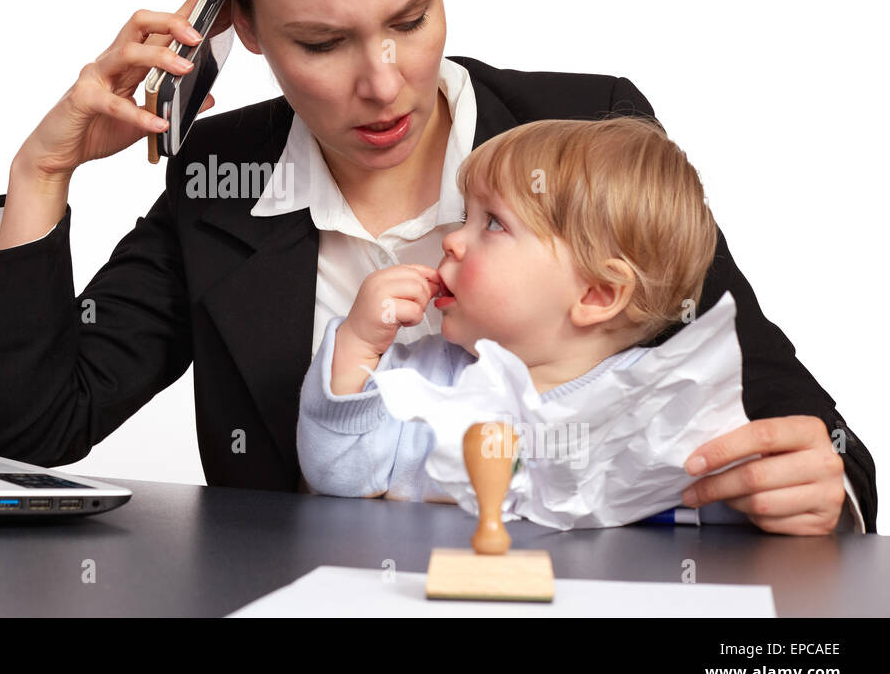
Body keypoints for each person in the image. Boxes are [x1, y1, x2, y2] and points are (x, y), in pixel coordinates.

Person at [0, 0, 875, 534]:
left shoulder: (596, 129)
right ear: (245, 28)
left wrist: (825, 484)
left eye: (410, 17)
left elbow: (807, 432)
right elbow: (33, 429)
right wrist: (44, 172)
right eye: (322, 41)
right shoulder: (221, 180)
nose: (385, 80)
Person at [296, 115, 722, 508]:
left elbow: (725, 510)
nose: (451, 241)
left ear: (597, 294)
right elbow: (339, 475)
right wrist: (358, 346)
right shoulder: (420, 379)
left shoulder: (658, 405)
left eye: (493, 223)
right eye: (466, 216)